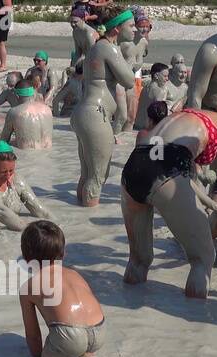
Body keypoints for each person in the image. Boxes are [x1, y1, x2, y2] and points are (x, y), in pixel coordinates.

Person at [120, 106, 217, 296]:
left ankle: (129, 307)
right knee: (204, 258)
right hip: (166, 172)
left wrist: (211, 204)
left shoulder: (188, 115)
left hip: (133, 168)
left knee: (139, 260)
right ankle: (195, 321)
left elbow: (180, 173)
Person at [18, 221, 105, 357]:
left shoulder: (29, 287)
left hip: (70, 336)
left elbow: (33, 336)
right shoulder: (75, 274)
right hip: (99, 329)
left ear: (26, 259)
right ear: (64, 253)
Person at [71, 4, 135, 207]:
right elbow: (129, 81)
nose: (134, 29)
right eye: (131, 25)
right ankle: (88, 225)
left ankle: (77, 216)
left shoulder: (98, 46)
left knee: (87, 173)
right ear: (117, 28)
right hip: (95, 116)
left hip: (84, 112)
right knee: (98, 176)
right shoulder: (109, 48)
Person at [0, 140, 53, 236]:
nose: (8, 176)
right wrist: (31, 231)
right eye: (3, 172)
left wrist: (57, 226)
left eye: (11, 170)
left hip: (13, 224)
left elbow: (40, 210)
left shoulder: (17, 180)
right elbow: (0, 210)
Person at [0, 79, 52, 149]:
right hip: (48, 157)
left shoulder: (14, 112)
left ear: (16, 96)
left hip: (27, 157)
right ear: (33, 93)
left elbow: (3, 142)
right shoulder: (47, 110)